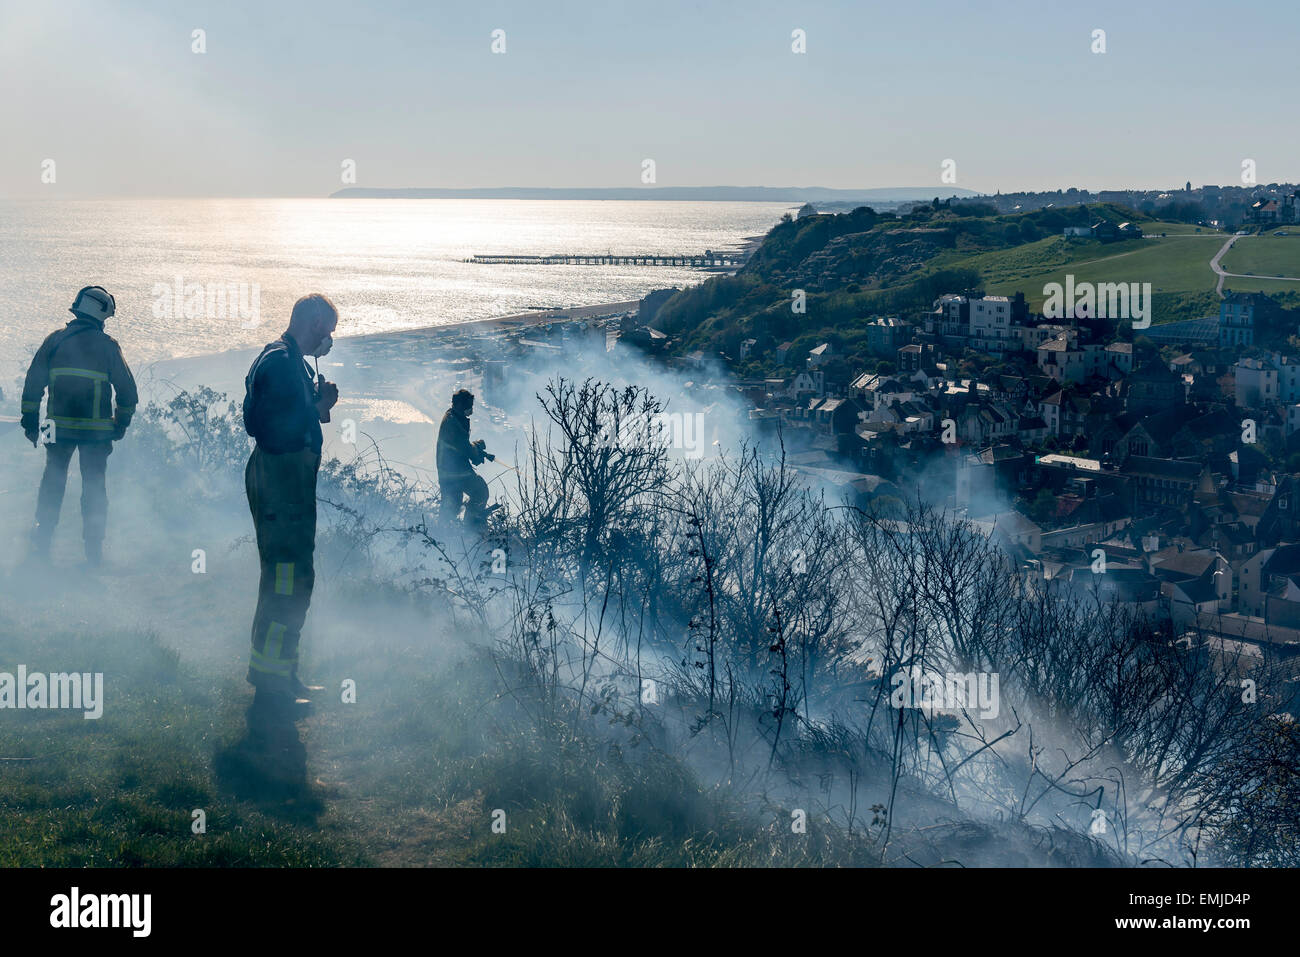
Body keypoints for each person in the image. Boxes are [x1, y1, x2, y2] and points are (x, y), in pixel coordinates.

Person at [241, 294, 339, 713]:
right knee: (286, 579)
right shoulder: (281, 362)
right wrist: (317, 407)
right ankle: (272, 687)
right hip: (282, 481)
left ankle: (282, 673)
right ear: (315, 322)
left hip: (288, 481)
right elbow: (266, 426)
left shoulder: (287, 359)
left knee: (294, 576)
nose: (330, 338)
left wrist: (314, 408)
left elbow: (285, 415)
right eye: (329, 329)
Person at [20, 286, 137, 565]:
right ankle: (93, 553)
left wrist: (30, 422)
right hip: (97, 434)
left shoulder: (55, 341)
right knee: (94, 488)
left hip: (54, 428)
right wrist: (119, 425)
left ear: (77, 309)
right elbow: (128, 394)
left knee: (52, 482)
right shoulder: (108, 347)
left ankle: (42, 544)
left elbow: (33, 384)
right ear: (102, 316)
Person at [436, 388, 494, 529]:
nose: (471, 409)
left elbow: (462, 445)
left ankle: (442, 533)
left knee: (451, 506)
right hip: (455, 472)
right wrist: (477, 449)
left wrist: (477, 449)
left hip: (450, 471)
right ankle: (471, 528)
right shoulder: (452, 423)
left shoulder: (453, 417)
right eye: (469, 405)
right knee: (480, 491)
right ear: (459, 405)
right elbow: (466, 448)